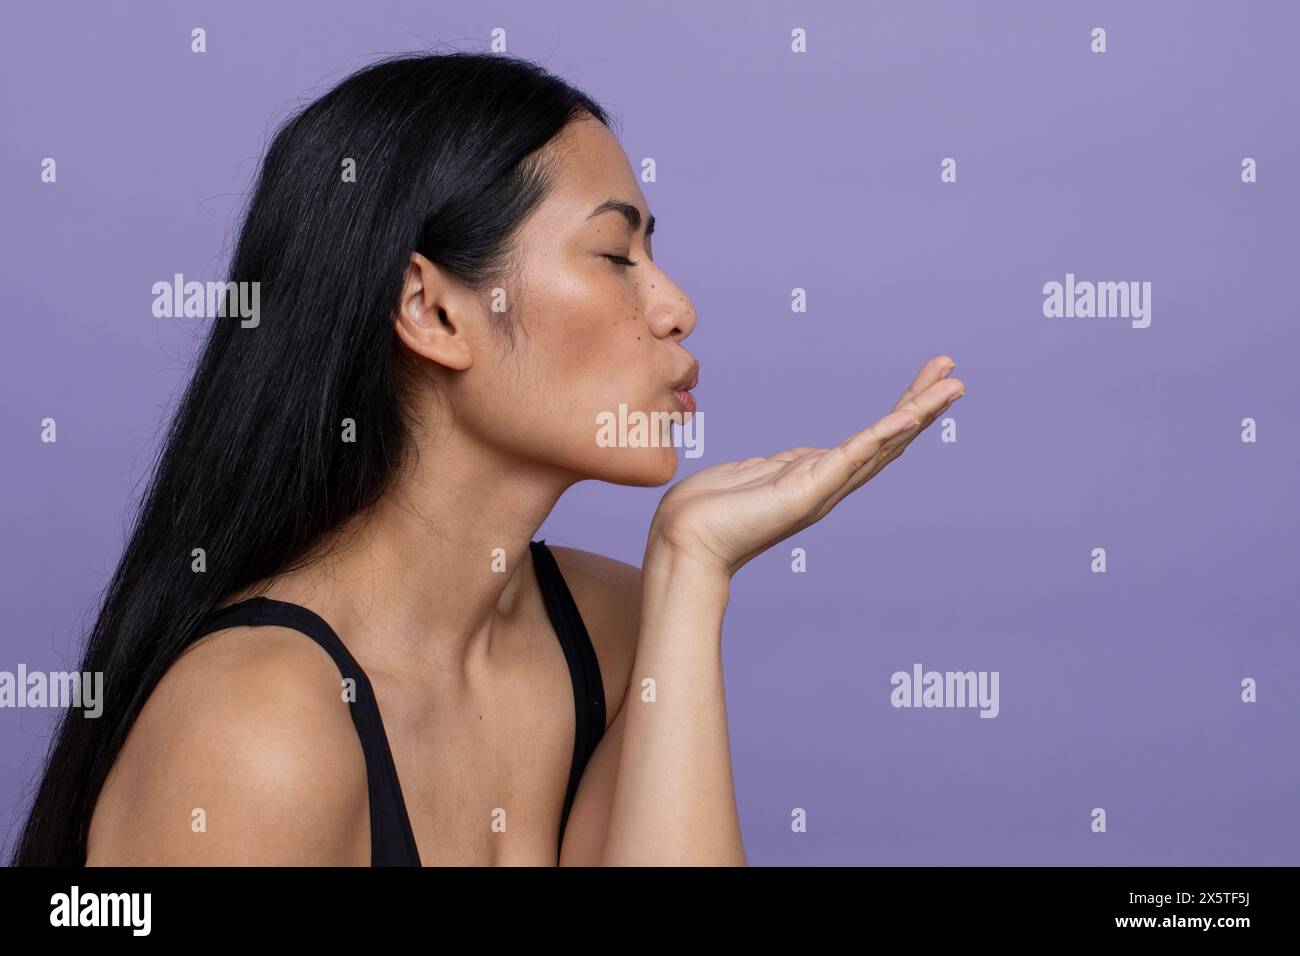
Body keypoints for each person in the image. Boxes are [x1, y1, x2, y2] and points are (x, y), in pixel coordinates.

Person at [10, 51, 964, 866]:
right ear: (431, 310)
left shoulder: (616, 630)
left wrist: (692, 569)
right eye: (614, 256)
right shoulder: (253, 731)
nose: (676, 306)